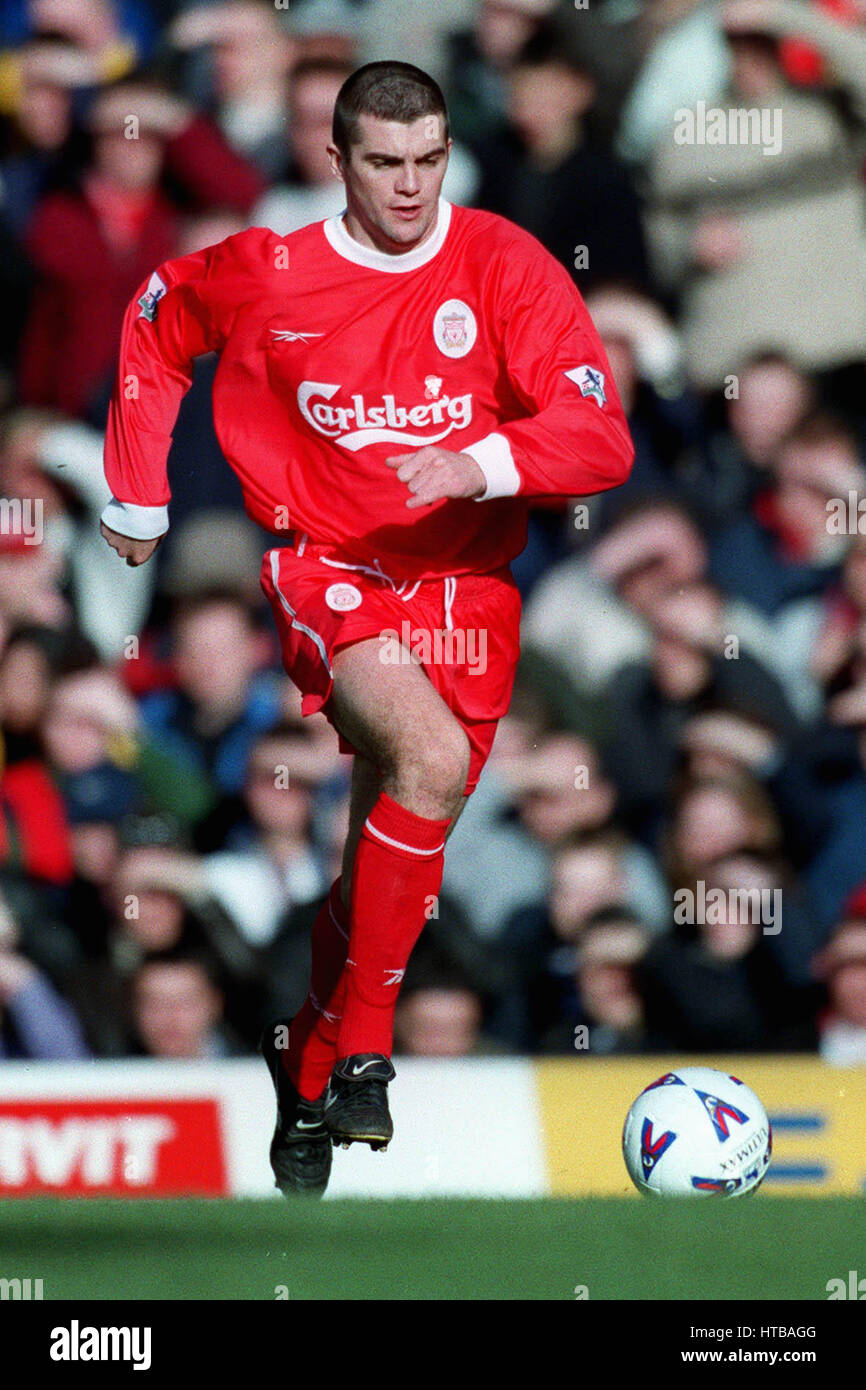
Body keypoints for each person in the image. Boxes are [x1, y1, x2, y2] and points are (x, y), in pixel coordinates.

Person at [99, 61, 633, 1197]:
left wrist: (477, 459)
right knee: (428, 760)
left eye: (429, 159)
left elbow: (599, 437)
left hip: (467, 600)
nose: (409, 185)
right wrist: (136, 493)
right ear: (333, 159)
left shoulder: (499, 262)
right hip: (327, 567)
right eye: (383, 162)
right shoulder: (270, 269)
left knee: (378, 852)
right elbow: (154, 321)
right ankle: (367, 1061)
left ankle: (306, 1049)